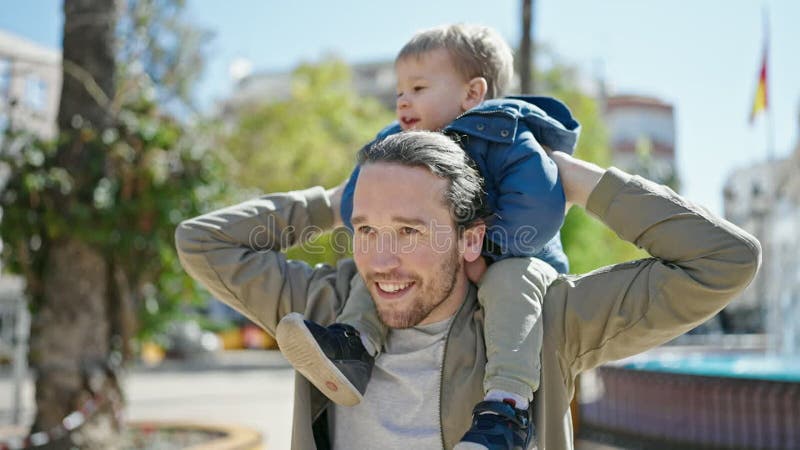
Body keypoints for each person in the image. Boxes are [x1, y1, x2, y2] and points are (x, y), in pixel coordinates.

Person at [175, 131, 761, 450]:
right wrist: (332, 203)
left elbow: (723, 260)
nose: (381, 260)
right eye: (366, 230)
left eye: (409, 231)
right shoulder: (324, 313)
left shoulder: (544, 322)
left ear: (470, 239)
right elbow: (202, 242)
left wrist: (573, 180)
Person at [275, 24, 580, 448]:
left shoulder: (505, 134)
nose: (403, 100)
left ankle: (507, 406)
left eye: (418, 88)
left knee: (512, 292)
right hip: (449, 260)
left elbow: (539, 207)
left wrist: (484, 249)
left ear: (472, 94)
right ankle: (353, 345)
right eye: (400, 90)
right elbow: (355, 206)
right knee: (376, 267)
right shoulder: (396, 143)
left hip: (518, 257)